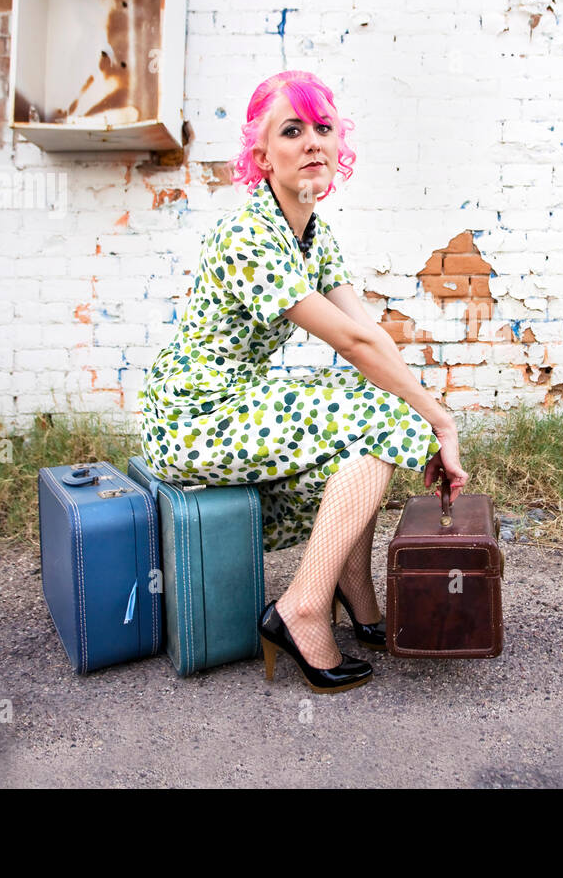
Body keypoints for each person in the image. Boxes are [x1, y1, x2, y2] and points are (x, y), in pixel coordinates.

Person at [137, 70, 468, 694]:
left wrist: (420, 408)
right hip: (195, 415)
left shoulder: (313, 232)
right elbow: (351, 342)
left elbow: (365, 332)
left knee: (374, 414)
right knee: (381, 417)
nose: (313, 141)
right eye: (293, 130)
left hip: (234, 402)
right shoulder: (249, 236)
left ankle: (354, 592)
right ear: (261, 156)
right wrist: (439, 420)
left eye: (323, 127)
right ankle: (301, 608)